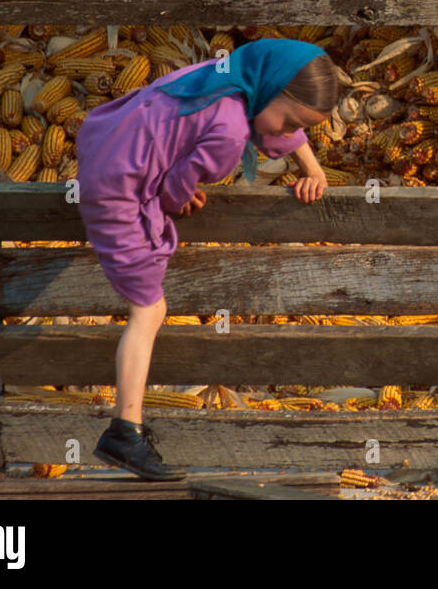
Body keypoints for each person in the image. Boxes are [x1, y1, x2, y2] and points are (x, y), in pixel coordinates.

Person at [76, 38, 337, 480]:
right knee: (149, 308)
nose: (281, 135)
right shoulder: (231, 132)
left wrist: (311, 166)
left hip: (105, 143)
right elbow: (178, 186)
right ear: (269, 89)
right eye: (288, 122)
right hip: (117, 190)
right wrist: (177, 198)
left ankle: (126, 430)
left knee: (148, 304)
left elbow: (271, 119)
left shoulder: (219, 75)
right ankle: (125, 431)